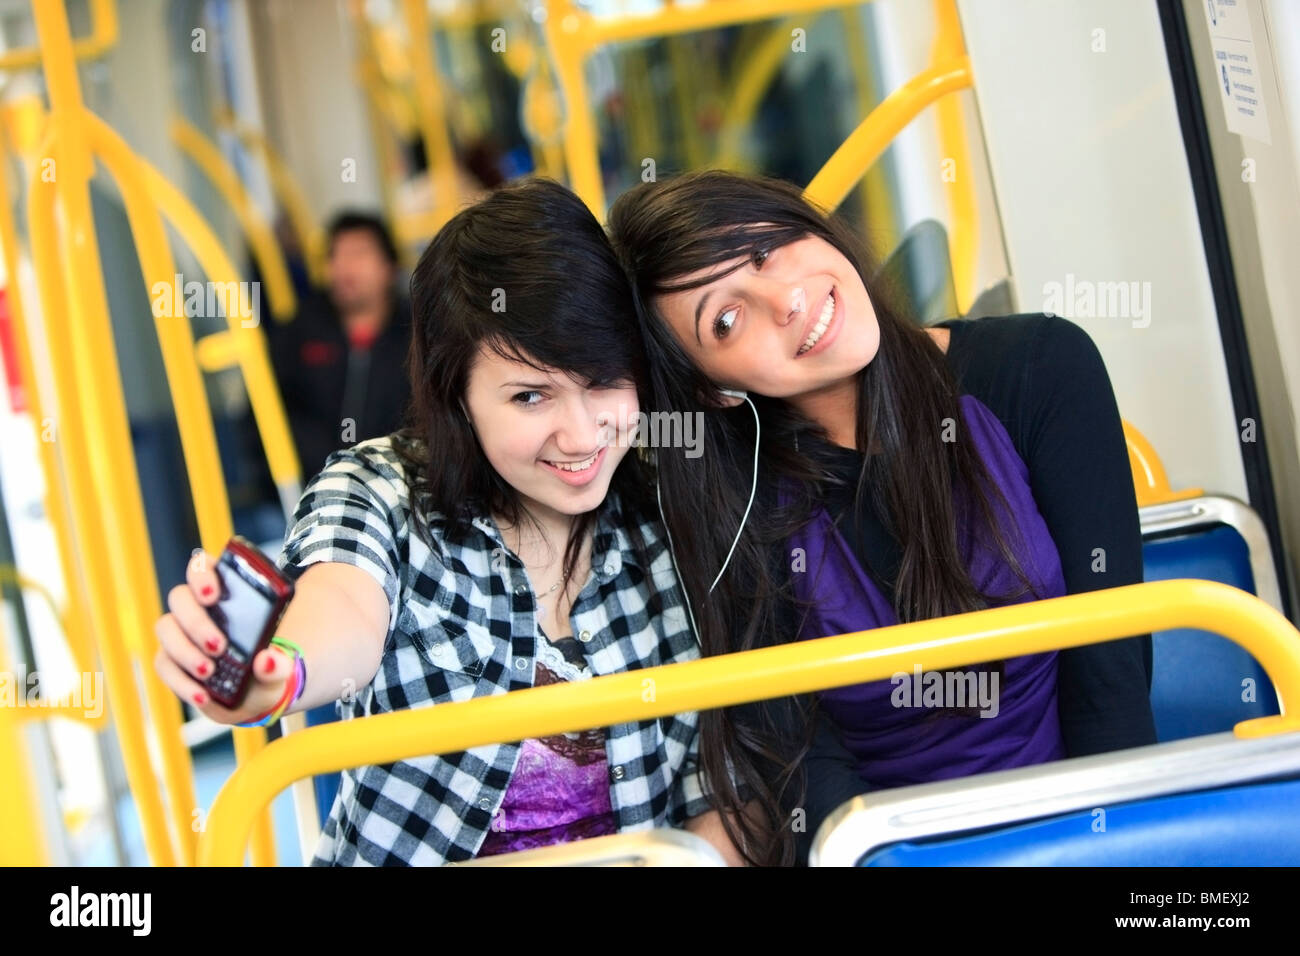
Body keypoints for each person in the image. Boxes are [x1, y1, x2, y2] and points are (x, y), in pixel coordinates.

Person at [153, 178, 733, 866]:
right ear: (457, 396)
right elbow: (344, 604)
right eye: (529, 396)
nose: (581, 435)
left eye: (605, 382)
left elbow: (736, 789)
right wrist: (281, 673)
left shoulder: (673, 502)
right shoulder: (382, 491)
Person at [608, 169, 1157, 865]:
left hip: (1094, 834)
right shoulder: (736, 511)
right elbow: (809, 776)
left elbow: (1112, 692)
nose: (786, 300)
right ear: (711, 389)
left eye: (765, 250)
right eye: (726, 317)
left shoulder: (1040, 369)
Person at [269, 211, 411, 478]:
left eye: (358, 254)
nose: (344, 267)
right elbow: (273, 412)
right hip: (308, 487)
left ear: (389, 267)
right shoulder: (299, 330)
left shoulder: (418, 333)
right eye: (335, 255)